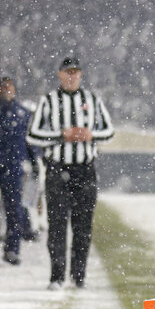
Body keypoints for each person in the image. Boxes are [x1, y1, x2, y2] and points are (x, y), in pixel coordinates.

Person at [27, 57, 115, 290]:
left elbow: (109, 131)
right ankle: (56, 277)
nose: (71, 76)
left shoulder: (92, 99)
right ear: (59, 74)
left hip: (85, 171)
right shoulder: (48, 101)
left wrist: (91, 135)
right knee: (57, 224)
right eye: (67, 72)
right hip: (58, 170)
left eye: (75, 72)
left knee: (83, 226)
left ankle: (79, 277)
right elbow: (32, 134)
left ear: (81, 75)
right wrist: (60, 135)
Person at [0, 76, 40, 265]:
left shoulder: (23, 114)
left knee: (14, 211)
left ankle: (12, 250)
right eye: (4, 87)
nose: (7, 90)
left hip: (13, 169)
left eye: (10, 86)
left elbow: (31, 141)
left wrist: (34, 163)